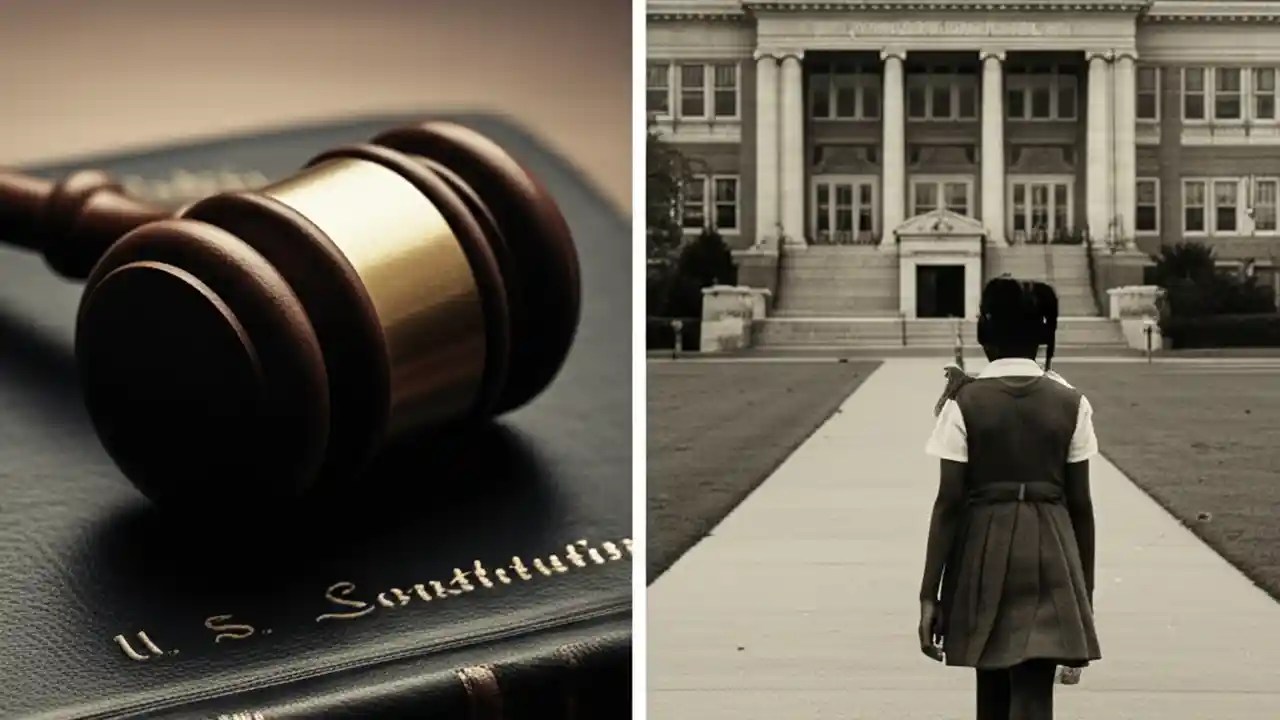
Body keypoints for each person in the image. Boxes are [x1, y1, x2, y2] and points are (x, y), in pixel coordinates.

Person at [917, 276, 1101, 720]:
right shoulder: (1071, 402)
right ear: (1041, 336)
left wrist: (929, 595)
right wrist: (1085, 591)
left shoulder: (964, 402)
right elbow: (1081, 505)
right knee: (1035, 689)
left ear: (984, 335)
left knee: (991, 685)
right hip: (1052, 548)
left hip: (983, 546)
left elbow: (948, 504)